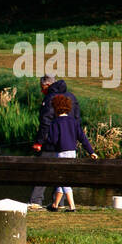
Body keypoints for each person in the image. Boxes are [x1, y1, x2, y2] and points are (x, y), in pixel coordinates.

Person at [29, 76, 82, 207]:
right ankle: (59, 203)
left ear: (47, 86)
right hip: (68, 144)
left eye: (42, 88)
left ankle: (35, 201)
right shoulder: (72, 97)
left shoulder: (50, 98)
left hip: (51, 142)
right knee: (62, 174)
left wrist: (39, 142)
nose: (42, 91)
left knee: (43, 171)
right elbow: (77, 120)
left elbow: (46, 122)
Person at [45, 93, 97, 211]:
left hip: (61, 153)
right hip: (72, 152)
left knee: (63, 179)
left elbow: (53, 140)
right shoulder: (73, 121)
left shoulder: (55, 122)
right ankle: (55, 205)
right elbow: (82, 138)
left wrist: (45, 142)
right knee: (61, 178)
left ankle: (72, 206)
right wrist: (91, 152)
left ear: (56, 107)